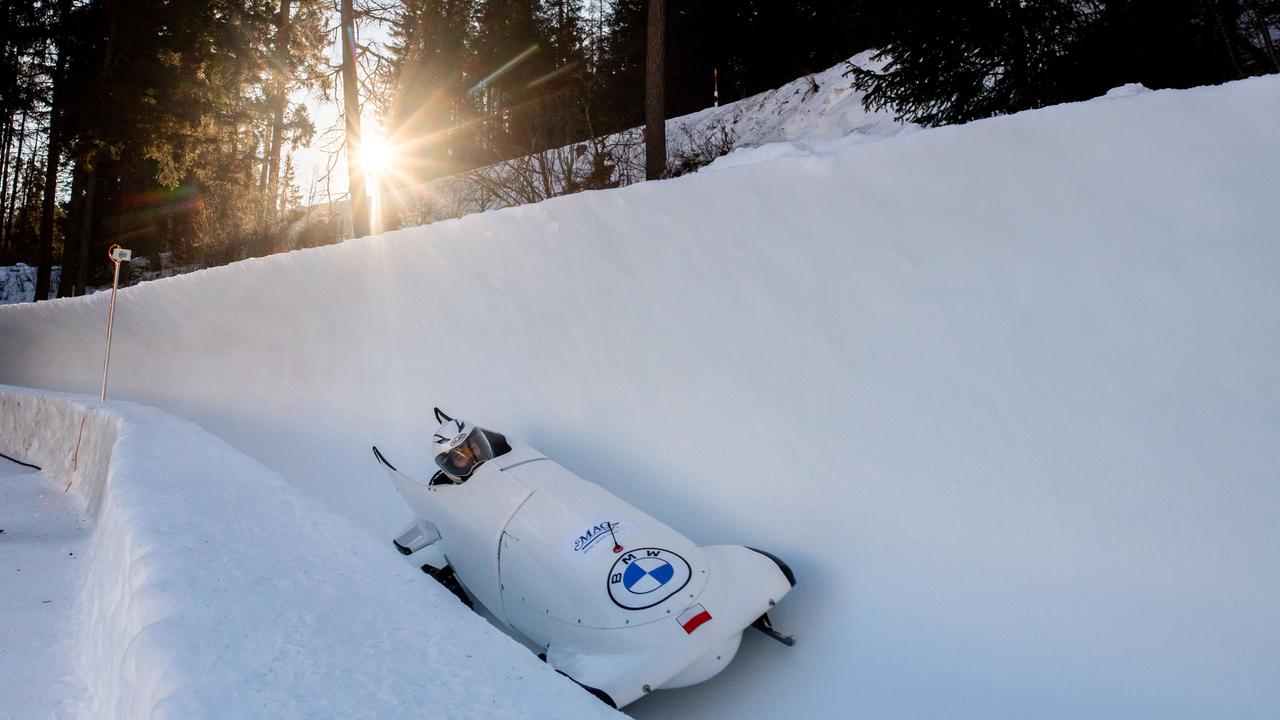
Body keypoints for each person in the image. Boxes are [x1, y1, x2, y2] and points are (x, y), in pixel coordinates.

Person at [430, 416, 509, 483]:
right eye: (459, 457)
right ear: (451, 466)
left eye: (471, 448)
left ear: (481, 444)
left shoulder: (502, 448)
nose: (469, 457)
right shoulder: (444, 489)